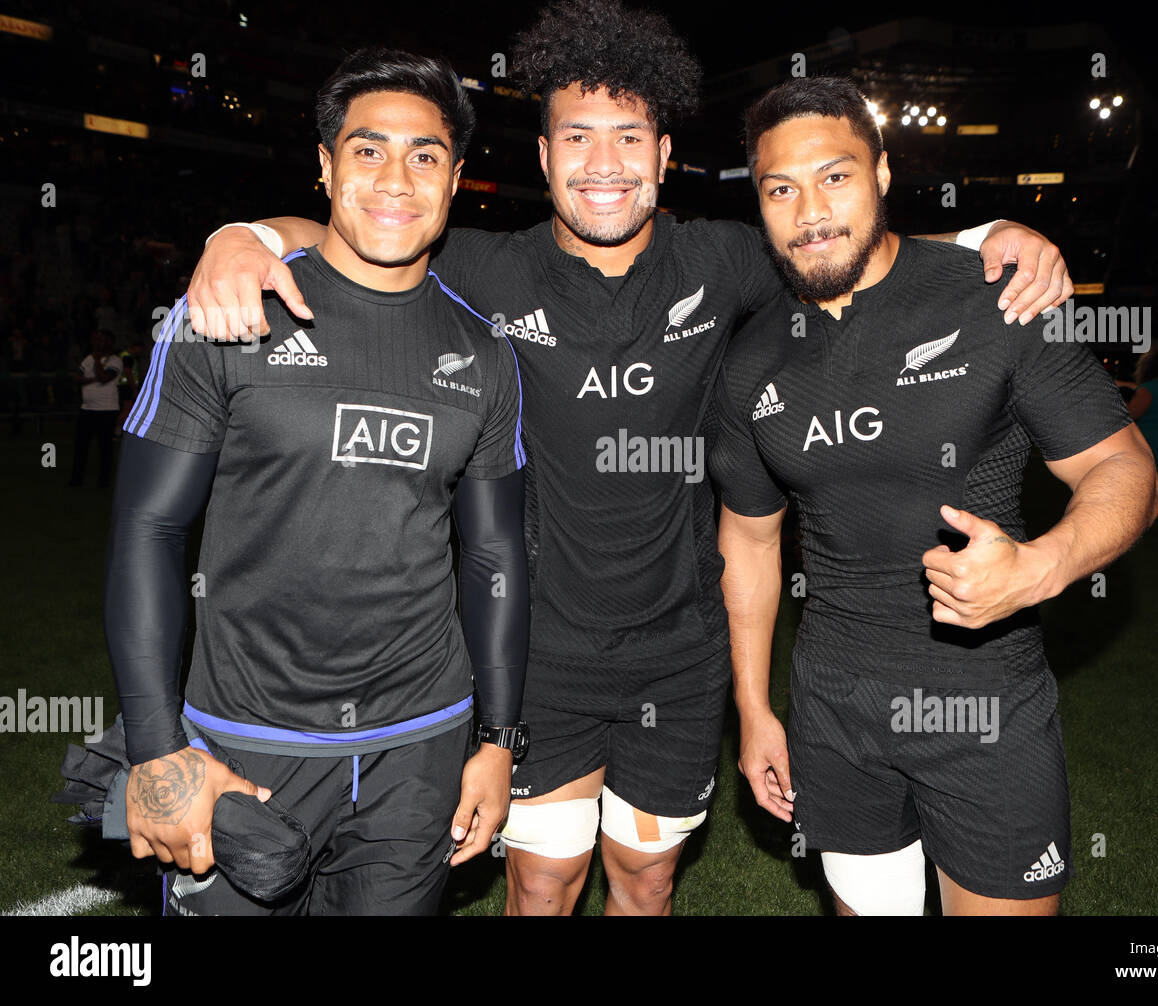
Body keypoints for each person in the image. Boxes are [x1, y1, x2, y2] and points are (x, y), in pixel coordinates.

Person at [183, 1, 1075, 916]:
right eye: (577, 137)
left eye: (628, 137)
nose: (603, 164)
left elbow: (843, 240)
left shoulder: (724, 261)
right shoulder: (483, 269)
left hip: (680, 657)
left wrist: (982, 238)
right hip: (539, 656)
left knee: (644, 884)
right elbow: (364, 229)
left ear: (662, 156)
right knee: (541, 883)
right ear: (543, 157)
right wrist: (244, 237)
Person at [709, 77, 1158, 916]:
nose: (809, 209)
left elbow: (1124, 468)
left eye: (835, 176)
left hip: (986, 707)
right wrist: (752, 708)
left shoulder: (996, 296)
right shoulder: (752, 361)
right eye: (781, 188)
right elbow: (749, 542)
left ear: (881, 175)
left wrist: (1041, 566)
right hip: (833, 713)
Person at [106, 48, 529, 915]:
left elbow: (494, 552)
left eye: (426, 157)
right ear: (326, 167)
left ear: (455, 182)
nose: (396, 179)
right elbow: (147, 532)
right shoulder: (225, 314)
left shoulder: (486, 354)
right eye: (368, 151)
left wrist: (497, 739)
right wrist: (156, 750)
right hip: (241, 743)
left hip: (421, 745)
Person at [1118, 346, 1158, 531]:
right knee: (1149, 481)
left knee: (1138, 481)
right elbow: (1142, 391)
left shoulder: (1146, 390)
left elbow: (1133, 413)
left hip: (1145, 439)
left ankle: (1138, 521)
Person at [69, 330, 123, 487]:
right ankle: (76, 479)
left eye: (102, 340)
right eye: (96, 339)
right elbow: (77, 377)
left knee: (105, 447)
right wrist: (93, 377)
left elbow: (104, 377)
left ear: (110, 343)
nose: (98, 343)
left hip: (107, 410)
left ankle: (104, 481)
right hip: (87, 408)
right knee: (81, 446)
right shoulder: (88, 358)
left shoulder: (115, 361)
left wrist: (98, 360)